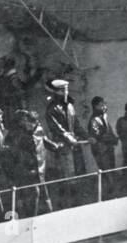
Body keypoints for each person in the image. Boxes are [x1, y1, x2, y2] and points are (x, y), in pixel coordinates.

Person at [7, 110, 58, 217]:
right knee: (33, 193)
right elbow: (12, 151)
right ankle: (31, 218)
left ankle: (50, 215)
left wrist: (55, 146)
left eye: (27, 120)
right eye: (24, 120)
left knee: (44, 192)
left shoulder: (37, 128)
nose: (26, 123)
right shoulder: (16, 133)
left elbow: (43, 139)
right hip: (26, 167)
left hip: (39, 166)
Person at [44, 79, 85, 207]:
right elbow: (57, 128)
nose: (66, 92)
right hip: (62, 146)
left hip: (74, 145)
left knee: (79, 172)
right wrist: (69, 138)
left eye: (66, 90)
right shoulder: (51, 109)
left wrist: (87, 135)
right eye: (63, 90)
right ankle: (67, 204)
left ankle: (79, 201)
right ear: (56, 92)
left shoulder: (70, 106)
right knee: (66, 175)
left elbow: (76, 124)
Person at [87, 96, 119, 176]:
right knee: (106, 173)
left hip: (108, 148)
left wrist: (114, 138)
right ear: (96, 106)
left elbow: (109, 130)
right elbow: (96, 135)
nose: (105, 107)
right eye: (102, 105)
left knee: (111, 170)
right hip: (101, 151)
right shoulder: (94, 120)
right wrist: (111, 139)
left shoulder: (104, 116)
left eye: (105, 104)